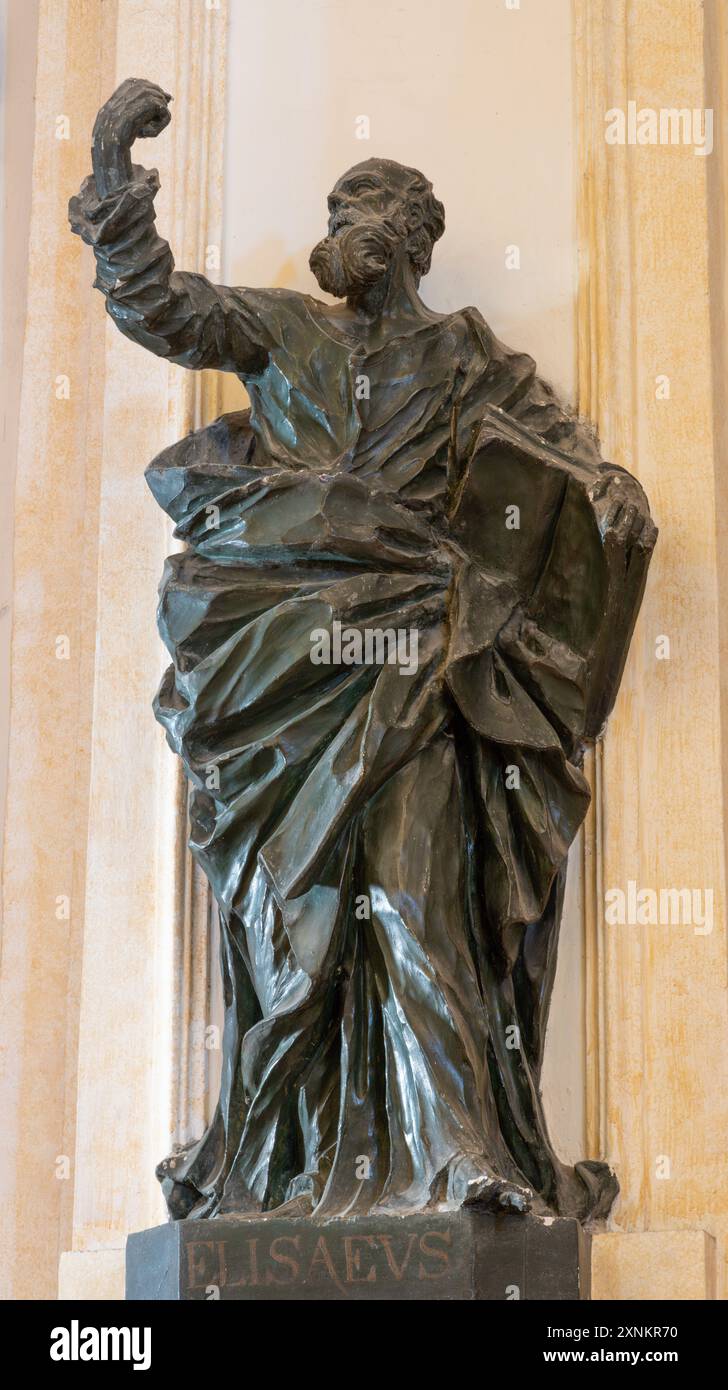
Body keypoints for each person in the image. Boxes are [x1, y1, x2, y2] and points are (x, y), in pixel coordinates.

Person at [70, 78, 656, 1222]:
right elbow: (162, 311)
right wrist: (112, 185)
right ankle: (257, 1166)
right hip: (286, 669)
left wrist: (614, 489)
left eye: (362, 208)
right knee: (286, 921)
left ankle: (460, 1156)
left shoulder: (472, 364)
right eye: (336, 207)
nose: (338, 227)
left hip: (415, 656)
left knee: (411, 895)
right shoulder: (282, 329)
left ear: (409, 238)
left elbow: (563, 463)